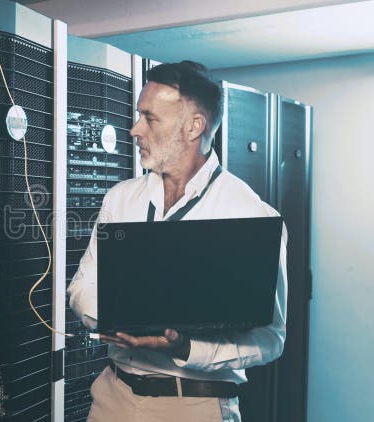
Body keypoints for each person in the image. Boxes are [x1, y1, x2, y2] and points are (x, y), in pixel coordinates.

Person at [67, 61, 288, 422]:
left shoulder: (250, 213)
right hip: (112, 397)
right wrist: (128, 317)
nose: (134, 129)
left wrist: (184, 345)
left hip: (193, 405)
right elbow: (81, 289)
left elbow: (270, 339)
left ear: (193, 126)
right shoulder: (120, 199)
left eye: (149, 118)